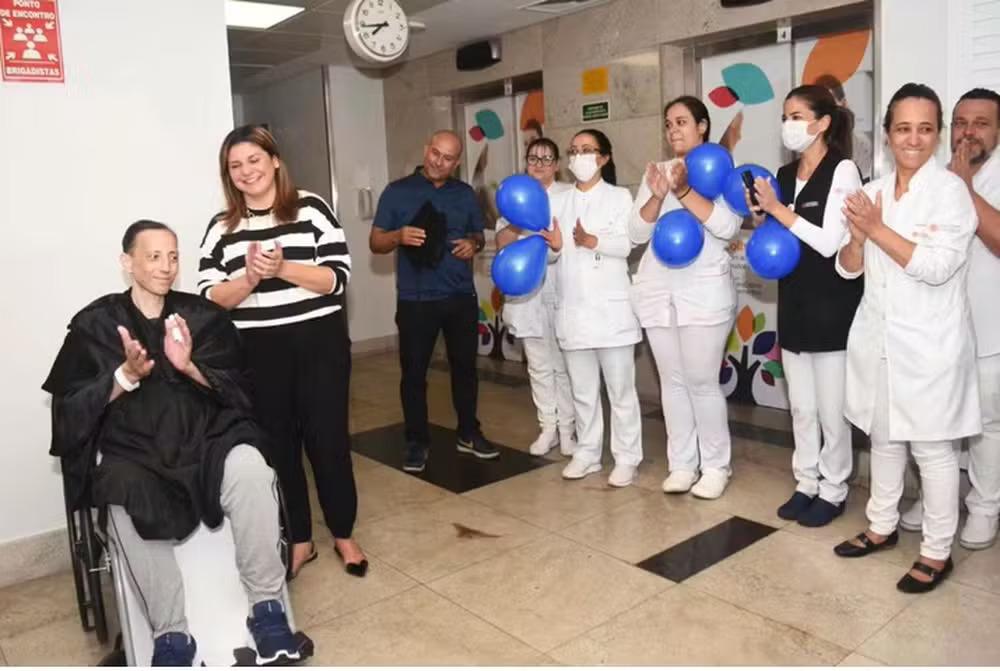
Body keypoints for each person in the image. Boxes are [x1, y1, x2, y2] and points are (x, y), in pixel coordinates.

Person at [44, 221, 306, 666]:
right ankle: (172, 637)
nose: (166, 267)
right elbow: (69, 410)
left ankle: (266, 610)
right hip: (138, 452)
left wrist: (188, 367)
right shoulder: (96, 325)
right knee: (119, 489)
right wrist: (124, 377)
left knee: (249, 467)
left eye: (173, 256)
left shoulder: (201, 318)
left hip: (207, 443)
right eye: (153, 257)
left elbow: (241, 392)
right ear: (127, 262)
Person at [199, 125, 366, 580]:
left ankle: (344, 534)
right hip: (257, 350)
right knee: (279, 447)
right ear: (228, 175)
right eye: (236, 166)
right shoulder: (222, 228)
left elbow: (337, 278)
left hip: (319, 342)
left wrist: (282, 267)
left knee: (327, 439)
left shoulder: (312, 208)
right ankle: (300, 540)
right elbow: (210, 298)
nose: (246, 171)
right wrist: (251, 279)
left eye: (254, 160)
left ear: (274, 161)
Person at [832, 83, 981, 593]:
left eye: (924, 129)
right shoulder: (872, 191)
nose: (912, 139)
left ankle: (938, 552)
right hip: (879, 338)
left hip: (931, 344)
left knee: (934, 452)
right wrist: (855, 241)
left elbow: (938, 267)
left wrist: (874, 230)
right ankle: (881, 526)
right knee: (884, 438)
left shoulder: (951, 192)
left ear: (937, 135)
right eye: (902, 128)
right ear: (889, 133)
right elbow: (850, 270)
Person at [745, 85, 864, 526]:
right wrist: (761, 215)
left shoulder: (844, 170)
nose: (789, 125)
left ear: (823, 123)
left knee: (832, 410)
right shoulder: (783, 172)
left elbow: (830, 240)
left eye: (797, 116)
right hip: (793, 301)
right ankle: (806, 481)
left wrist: (778, 210)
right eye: (785, 116)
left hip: (832, 304)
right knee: (802, 406)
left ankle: (834, 489)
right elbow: (778, 238)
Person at [899, 88, 1000, 550]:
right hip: (936, 329)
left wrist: (964, 188)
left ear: (997, 131)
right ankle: (938, 502)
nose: (968, 132)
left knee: (985, 425)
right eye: (960, 122)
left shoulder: (971, 180)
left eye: (980, 123)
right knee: (934, 421)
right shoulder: (934, 178)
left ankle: (983, 507)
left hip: (990, 328)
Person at [628, 96, 741, 500]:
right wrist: (659, 195)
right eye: (668, 123)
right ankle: (682, 463)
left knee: (701, 381)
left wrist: (686, 190)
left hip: (704, 292)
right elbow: (636, 234)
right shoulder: (656, 172)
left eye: (682, 122)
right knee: (672, 382)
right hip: (659, 292)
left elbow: (727, 226)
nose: (673, 130)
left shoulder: (720, 168)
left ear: (703, 126)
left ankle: (715, 466)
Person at [369, 130, 500, 473]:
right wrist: (397, 236)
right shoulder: (397, 192)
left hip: (460, 296)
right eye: (435, 154)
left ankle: (469, 433)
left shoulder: (465, 194)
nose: (438, 162)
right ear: (426, 150)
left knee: (465, 371)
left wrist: (474, 244)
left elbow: (478, 234)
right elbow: (376, 242)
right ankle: (416, 441)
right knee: (414, 374)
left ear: (456, 163)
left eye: (447, 158)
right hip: (416, 300)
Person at [551, 128, 642, 486]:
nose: (579, 157)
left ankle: (627, 457)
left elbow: (630, 243)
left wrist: (594, 241)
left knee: (620, 390)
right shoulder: (558, 200)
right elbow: (549, 253)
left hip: (612, 310)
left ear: (604, 158)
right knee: (583, 390)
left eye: (587, 150)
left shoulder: (620, 197)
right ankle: (588, 452)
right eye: (574, 150)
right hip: (573, 308)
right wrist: (555, 246)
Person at [495, 138, 576, 457]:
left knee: (564, 366)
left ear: (557, 164)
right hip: (527, 296)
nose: (539, 164)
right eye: (533, 158)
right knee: (539, 366)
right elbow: (501, 242)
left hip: (563, 290)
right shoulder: (515, 196)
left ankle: (569, 430)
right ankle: (548, 428)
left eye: (546, 158)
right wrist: (519, 218)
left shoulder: (569, 196)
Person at [815, 73, 874, 181]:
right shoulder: (809, 142)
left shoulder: (861, 144)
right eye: (821, 106)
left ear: (844, 104)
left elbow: (863, 186)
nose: (826, 112)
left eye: (831, 104)